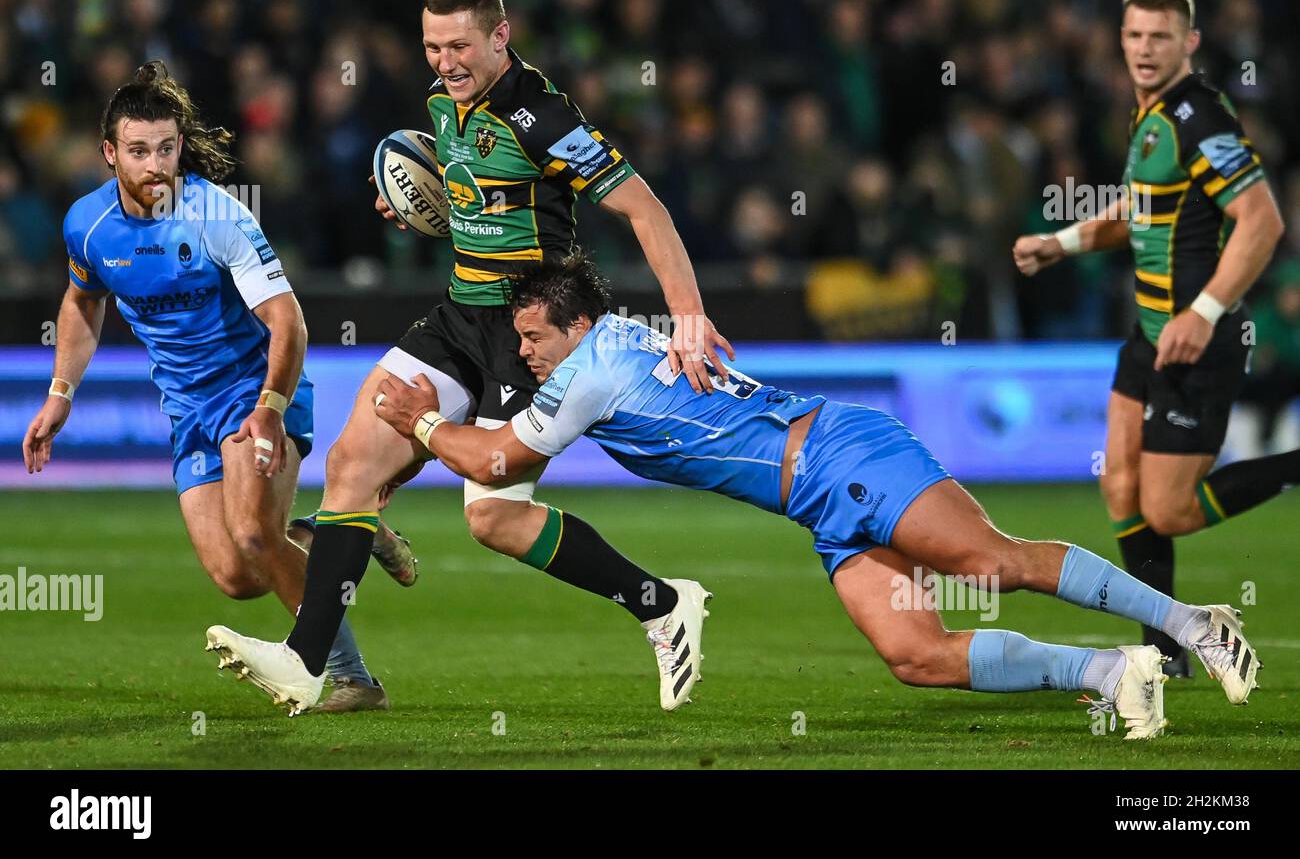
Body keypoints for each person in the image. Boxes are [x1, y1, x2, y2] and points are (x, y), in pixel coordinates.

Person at [215, 253, 1260, 738]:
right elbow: (496, 482)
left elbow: (492, 466)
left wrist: (418, 426)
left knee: (998, 560)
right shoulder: (605, 347)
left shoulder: (592, 371)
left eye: (529, 337)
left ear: (569, 327)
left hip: (848, 457)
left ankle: (1189, 624)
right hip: (818, 499)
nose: (520, 352)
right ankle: (1111, 673)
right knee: (916, 656)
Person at [233, 0, 730, 714]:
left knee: (492, 518)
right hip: (459, 315)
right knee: (350, 461)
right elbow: (467, 188)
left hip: (525, 332)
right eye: (432, 46)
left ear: (501, 36)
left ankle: (660, 603)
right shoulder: (442, 104)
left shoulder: (544, 116)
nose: (444, 61)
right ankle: (323, 668)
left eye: (459, 44)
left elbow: (646, 210)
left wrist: (686, 314)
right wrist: (417, 203)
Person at [22, 61, 414, 713]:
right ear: (109, 153)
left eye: (167, 149)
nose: (156, 166)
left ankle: (350, 679)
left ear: (181, 146)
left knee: (256, 535)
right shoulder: (87, 226)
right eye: (139, 151)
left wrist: (268, 409)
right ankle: (349, 528)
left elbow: (286, 320)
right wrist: (62, 391)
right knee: (236, 575)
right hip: (186, 408)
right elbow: (82, 302)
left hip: (253, 388)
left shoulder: (215, 216)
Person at [1013, 0, 1290, 675]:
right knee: (1119, 485)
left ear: (1189, 43)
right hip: (1149, 336)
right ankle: (1165, 655)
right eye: (1135, 35)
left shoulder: (1199, 116)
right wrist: (1062, 244)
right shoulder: (1151, 115)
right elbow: (1138, 211)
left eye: (1160, 37)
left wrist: (1203, 312)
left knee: (1169, 512)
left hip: (1198, 340)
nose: (1144, 48)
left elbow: (1262, 220)